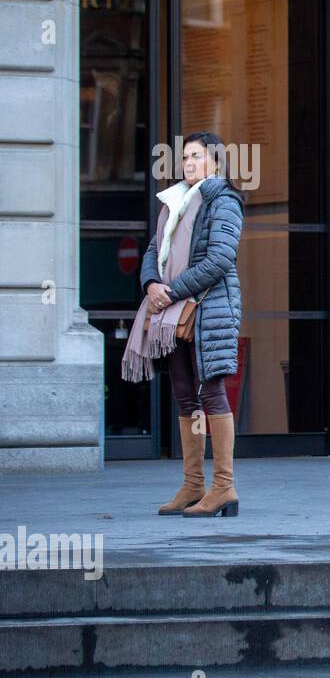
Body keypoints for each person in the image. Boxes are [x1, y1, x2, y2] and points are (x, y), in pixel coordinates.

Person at [122, 131, 245, 517]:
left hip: (208, 311)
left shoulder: (223, 200)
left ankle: (224, 487)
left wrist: (170, 290)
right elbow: (153, 250)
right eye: (185, 158)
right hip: (173, 312)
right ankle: (193, 485)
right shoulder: (173, 203)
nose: (188, 164)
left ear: (215, 161)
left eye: (196, 156)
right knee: (185, 397)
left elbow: (220, 259)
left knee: (211, 393)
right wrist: (151, 284)